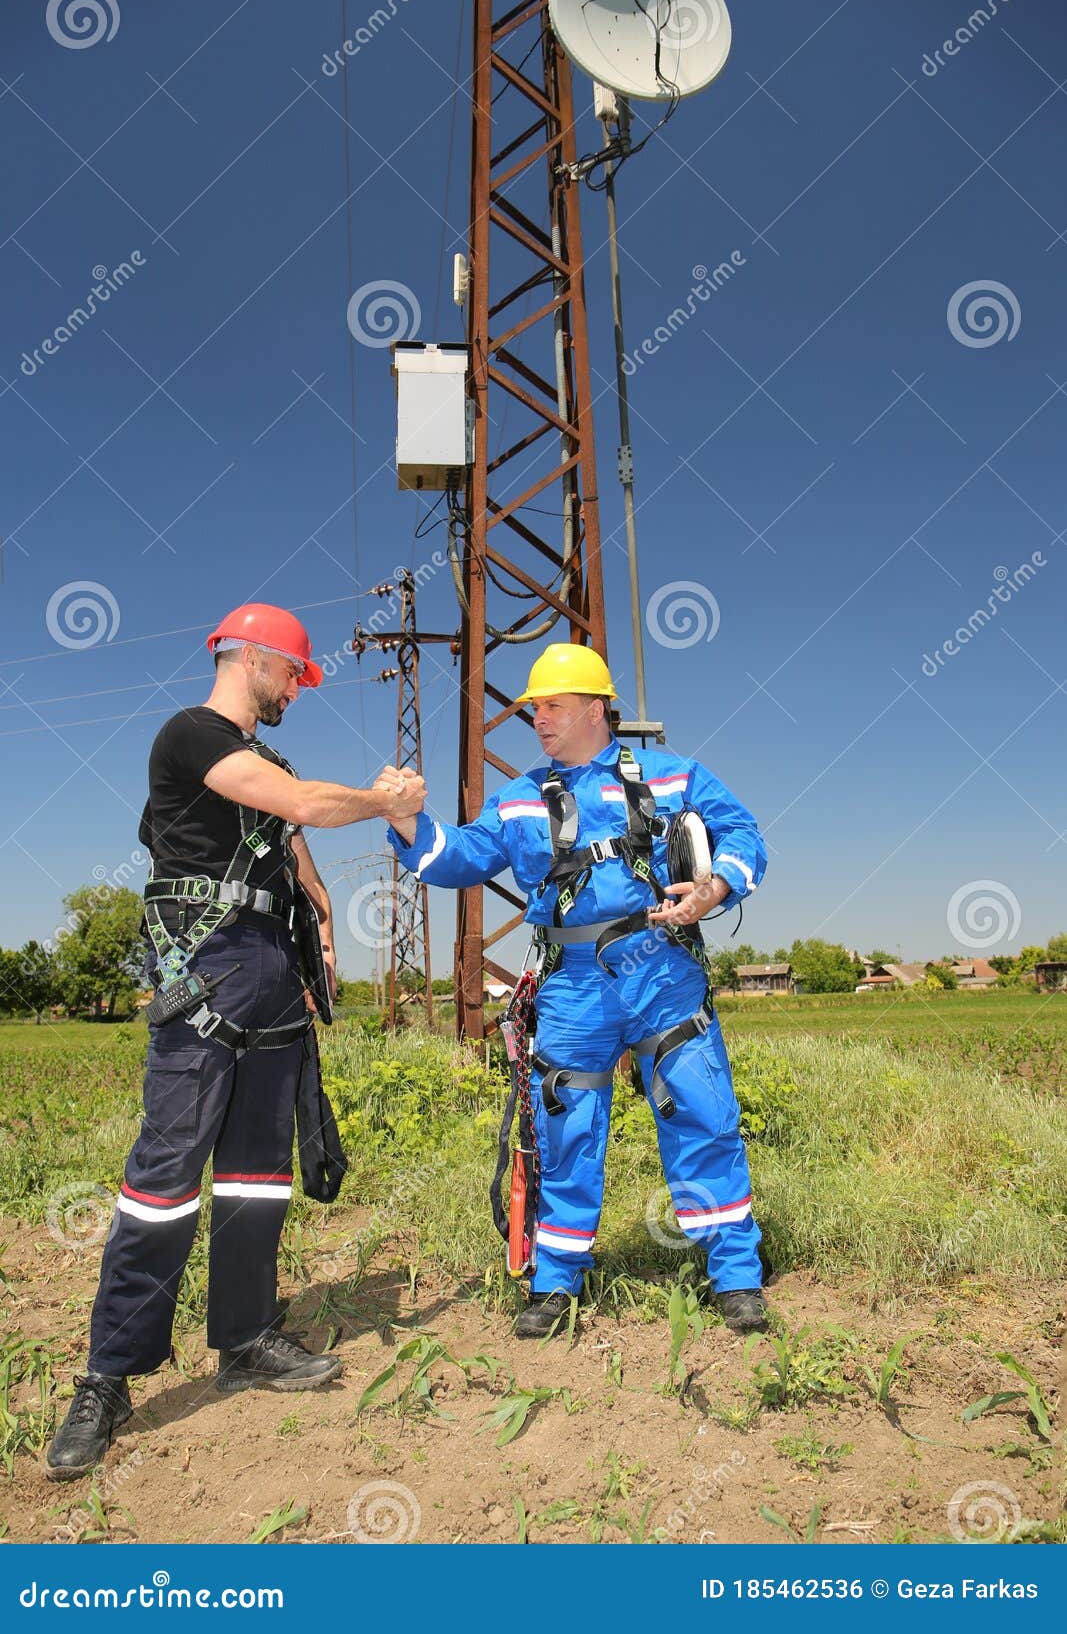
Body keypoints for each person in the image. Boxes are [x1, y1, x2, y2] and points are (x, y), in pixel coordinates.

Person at [46, 603, 426, 1480]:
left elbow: (294, 853)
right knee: (165, 1177)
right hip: (204, 970)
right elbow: (299, 805)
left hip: (270, 974)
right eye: (294, 671)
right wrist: (384, 800)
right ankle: (109, 1377)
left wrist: (322, 933)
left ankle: (246, 1337)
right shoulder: (193, 736)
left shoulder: (268, 758)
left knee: (259, 1170)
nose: (300, 685)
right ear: (250, 657)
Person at [384, 642, 768, 1339]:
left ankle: (735, 1276)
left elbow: (744, 834)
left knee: (702, 1113)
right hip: (573, 986)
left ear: (597, 707)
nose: (539, 719)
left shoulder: (674, 775)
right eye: (534, 709)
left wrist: (712, 889)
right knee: (563, 1131)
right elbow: (456, 857)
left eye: (554, 706)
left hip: (662, 972)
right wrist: (406, 818)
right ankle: (556, 1280)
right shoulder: (519, 798)